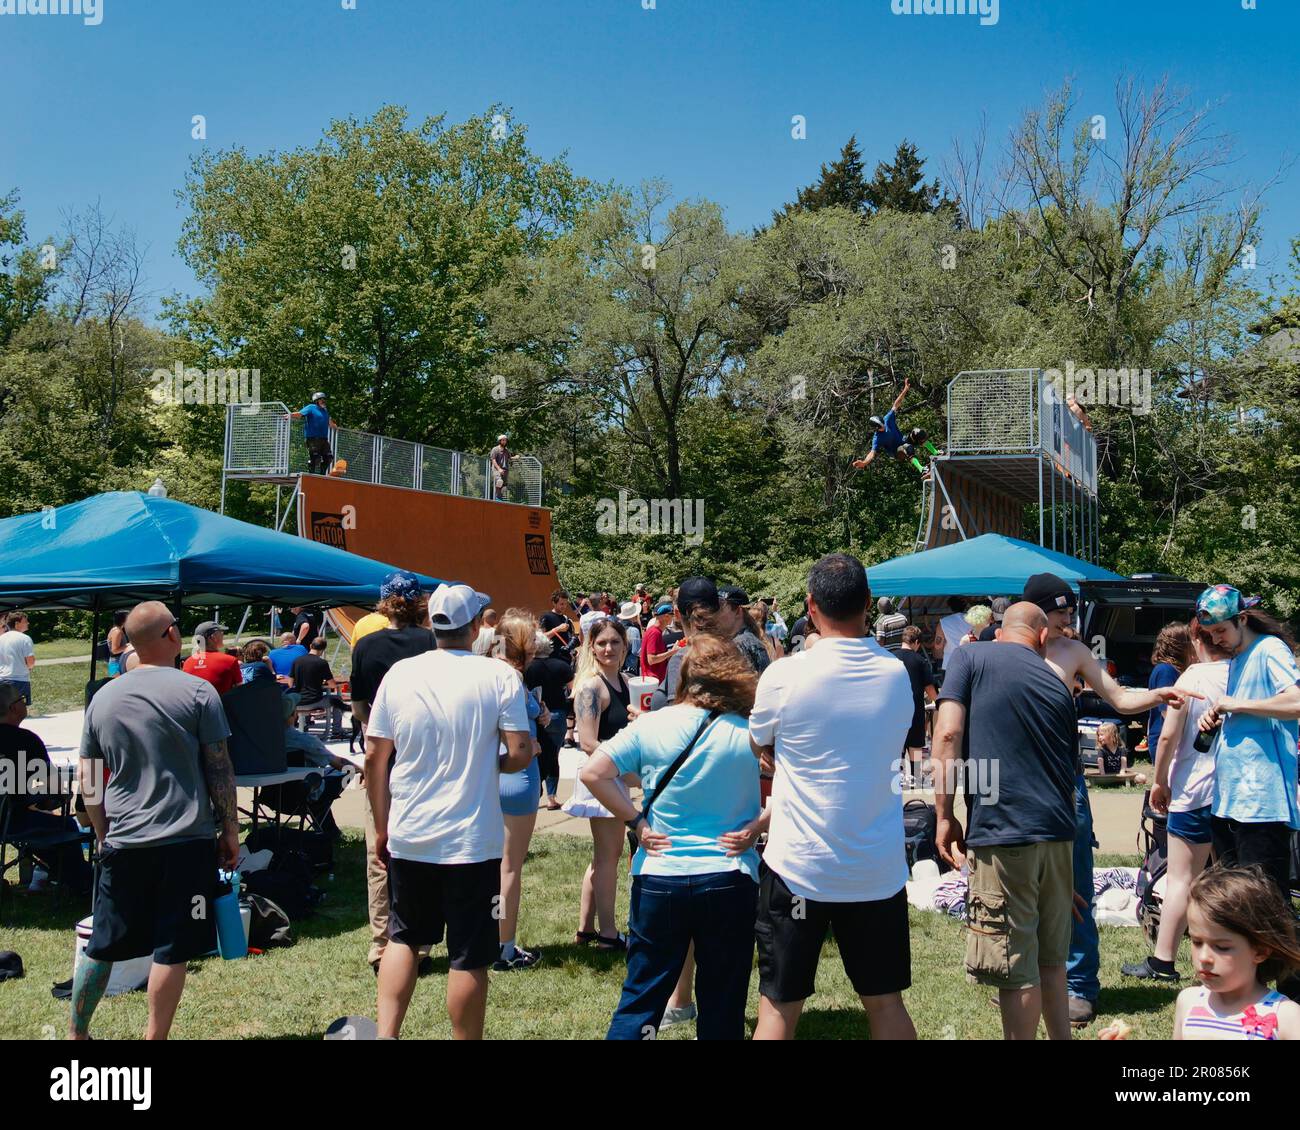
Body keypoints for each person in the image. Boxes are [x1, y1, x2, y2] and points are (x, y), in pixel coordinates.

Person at [750, 554, 917, 1040]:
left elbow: (758, 741)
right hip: (876, 869)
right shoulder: (895, 674)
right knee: (886, 1004)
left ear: (810, 606)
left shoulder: (783, 675)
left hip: (798, 866)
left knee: (779, 1009)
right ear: (868, 603)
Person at [1026, 571, 1194, 1026]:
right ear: (1037, 612)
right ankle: (1024, 983)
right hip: (1019, 783)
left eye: (1069, 611)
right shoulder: (1003, 652)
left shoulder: (1074, 651)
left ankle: (1079, 985)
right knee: (1024, 885)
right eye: (1060, 612)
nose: (1068, 620)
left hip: (1064, 781)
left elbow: (1118, 698)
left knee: (1077, 882)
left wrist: (1158, 693)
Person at [365, 584, 532, 1039]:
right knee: (469, 953)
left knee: (404, 937)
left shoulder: (400, 674)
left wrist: (383, 827)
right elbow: (520, 751)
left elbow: (375, 757)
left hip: (410, 829)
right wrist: (489, 761)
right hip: (471, 838)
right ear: (476, 625)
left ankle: (386, 1034)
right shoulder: (499, 676)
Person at [581, 635, 763, 1040]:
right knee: (723, 1000)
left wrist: (637, 822)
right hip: (728, 874)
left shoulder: (651, 725)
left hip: (660, 876)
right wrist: (759, 825)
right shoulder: (748, 732)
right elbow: (793, 781)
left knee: (641, 997)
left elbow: (593, 772)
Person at [72, 601, 240, 1040]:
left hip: (125, 840)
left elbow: (88, 779)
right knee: (173, 946)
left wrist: (103, 831)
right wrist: (230, 831)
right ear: (170, 635)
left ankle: (77, 1034)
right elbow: (219, 767)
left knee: (102, 942)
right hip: (186, 839)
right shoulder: (199, 691)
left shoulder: (102, 698)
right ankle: (155, 1038)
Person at [931, 602, 1079, 1041]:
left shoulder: (970, 656)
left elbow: (947, 734)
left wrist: (944, 814)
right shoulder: (1055, 683)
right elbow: (1065, 773)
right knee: (1051, 960)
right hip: (1056, 836)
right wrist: (1054, 871)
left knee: (1016, 965)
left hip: (1005, 832)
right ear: (1040, 638)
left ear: (999, 631)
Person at [1123, 619, 1230, 983]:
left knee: (1183, 878)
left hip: (1194, 790)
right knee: (1233, 879)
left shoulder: (1192, 679)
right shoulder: (1243, 672)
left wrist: (1159, 781)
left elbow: (1168, 736)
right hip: (1234, 794)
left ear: (1197, 640)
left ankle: (1163, 960)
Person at [349, 569, 437, 973]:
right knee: (419, 853)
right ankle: (416, 943)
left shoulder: (365, 646)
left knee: (378, 854)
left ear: (384, 603)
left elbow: (360, 708)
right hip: (426, 759)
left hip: (383, 759)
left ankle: (381, 944)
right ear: (418, 602)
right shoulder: (431, 643)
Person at [1193, 585, 1300, 906]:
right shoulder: (1238, 659)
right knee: (1238, 908)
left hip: (1263, 805)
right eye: (1210, 634)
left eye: (1221, 631)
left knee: (1268, 909)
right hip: (1230, 802)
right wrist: (1218, 722)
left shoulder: (1270, 649)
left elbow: (1295, 702)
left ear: (1242, 618)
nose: (1215, 640)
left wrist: (1237, 705)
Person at [564, 615, 637, 951]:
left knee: (603, 855)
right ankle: (609, 933)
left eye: (615, 642)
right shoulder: (592, 686)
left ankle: (586, 929)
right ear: (590, 647)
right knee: (609, 856)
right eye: (602, 643)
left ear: (625, 645)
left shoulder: (623, 681)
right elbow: (588, 741)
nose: (609, 648)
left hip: (613, 775)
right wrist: (626, 770)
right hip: (602, 775)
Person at [1173, 868, 1300, 1040]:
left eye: (1222, 947)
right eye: (1197, 942)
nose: (1203, 957)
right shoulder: (1188, 1003)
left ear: (1260, 951)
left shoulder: (1284, 1016)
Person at [492, 611, 547, 970]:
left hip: (493, 777)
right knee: (510, 868)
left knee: (492, 865)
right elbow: (521, 742)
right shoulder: (513, 678)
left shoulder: (487, 674)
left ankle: (490, 937)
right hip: (519, 775)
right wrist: (535, 744)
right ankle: (505, 947)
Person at [0, 683, 92, 893]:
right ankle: (79, 882)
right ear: (13, 708)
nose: (25, 703)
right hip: (11, 821)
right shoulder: (26, 740)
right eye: (22, 700)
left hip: (10, 816)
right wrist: (52, 802)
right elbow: (53, 790)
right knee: (65, 824)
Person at [279, 691, 350, 838]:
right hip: (305, 794)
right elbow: (339, 763)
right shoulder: (305, 741)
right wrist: (364, 770)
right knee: (343, 773)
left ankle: (329, 828)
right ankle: (327, 829)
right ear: (294, 714)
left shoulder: (265, 743)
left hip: (275, 796)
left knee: (320, 780)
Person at [526, 631, 572, 810]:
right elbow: (573, 689)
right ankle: (552, 797)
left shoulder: (527, 668)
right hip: (558, 714)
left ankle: (535, 794)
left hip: (535, 715)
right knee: (553, 756)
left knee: (536, 756)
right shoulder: (562, 666)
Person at [896, 626, 937, 788]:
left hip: (894, 709)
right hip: (914, 709)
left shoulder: (891, 658)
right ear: (917, 642)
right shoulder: (920, 661)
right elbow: (929, 688)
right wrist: (939, 702)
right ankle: (915, 778)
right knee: (915, 745)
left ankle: (897, 778)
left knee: (897, 744)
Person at [1145, 622, 1193, 760]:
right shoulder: (1166, 671)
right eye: (1188, 641)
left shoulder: (1169, 669)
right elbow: (1167, 712)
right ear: (1179, 645)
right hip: (1165, 742)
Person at [850, 378, 915, 470]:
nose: (884, 426)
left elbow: (896, 404)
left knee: (917, 433)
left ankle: (936, 452)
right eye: (881, 427)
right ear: (876, 429)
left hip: (903, 440)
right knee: (907, 447)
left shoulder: (887, 419)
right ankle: (922, 469)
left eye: (883, 424)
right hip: (897, 452)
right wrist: (864, 462)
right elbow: (872, 453)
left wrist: (905, 389)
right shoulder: (877, 438)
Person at [291, 637, 346, 734]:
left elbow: (290, 683)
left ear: (310, 646)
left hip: (298, 701)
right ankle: (337, 730)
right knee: (337, 699)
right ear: (323, 650)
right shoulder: (322, 663)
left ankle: (306, 724)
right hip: (314, 701)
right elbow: (332, 685)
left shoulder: (297, 661)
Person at [181, 621, 243, 696]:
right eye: (220, 632)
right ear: (213, 637)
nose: (223, 634)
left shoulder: (187, 662)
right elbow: (240, 691)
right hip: (221, 706)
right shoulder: (229, 661)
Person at [718, 586, 771, 675]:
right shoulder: (745, 639)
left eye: (721, 607)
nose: (716, 612)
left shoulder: (740, 643)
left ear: (738, 611)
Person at [289, 391, 335, 475]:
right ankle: (311, 474)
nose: (323, 401)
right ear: (316, 401)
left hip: (324, 439)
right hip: (312, 438)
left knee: (329, 457)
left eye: (324, 399)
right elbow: (299, 414)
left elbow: (330, 422)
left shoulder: (325, 411)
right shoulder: (311, 407)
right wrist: (289, 415)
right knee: (315, 458)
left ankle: (322, 474)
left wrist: (335, 426)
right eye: (321, 399)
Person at [0, 611, 35, 705]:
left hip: (2, 679)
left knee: (5, 709)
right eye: (25, 621)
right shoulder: (25, 639)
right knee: (19, 711)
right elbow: (30, 662)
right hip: (20, 680)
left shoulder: (1, 638)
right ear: (17, 624)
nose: (28, 623)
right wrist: (30, 667)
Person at [640, 602, 676, 683]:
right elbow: (651, 659)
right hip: (653, 680)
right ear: (666, 616)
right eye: (672, 615)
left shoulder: (654, 631)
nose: (673, 618)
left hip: (654, 679)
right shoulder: (654, 633)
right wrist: (672, 652)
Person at [934, 597, 971, 670]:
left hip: (950, 662)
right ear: (965, 606)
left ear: (950, 607)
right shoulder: (973, 621)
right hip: (969, 661)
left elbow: (938, 646)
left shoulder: (943, 622)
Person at [540, 589, 576, 661]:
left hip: (566, 658)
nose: (564, 606)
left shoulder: (566, 619)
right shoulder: (546, 617)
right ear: (554, 603)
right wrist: (557, 629)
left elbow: (570, 639)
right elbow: (540, 638)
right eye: (561, 604)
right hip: (552, 658)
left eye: (566, 604)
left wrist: (573, 650)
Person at [618, 602, 643, 675]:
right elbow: (636, 651)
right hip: (630, 667)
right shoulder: (634, 630)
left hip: (619, 664)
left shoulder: (617, 627)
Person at [106, 611, 129, 677]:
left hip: (119, 662)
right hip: (116, 664)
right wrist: (129, 645)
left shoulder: (119, 630)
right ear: (123, 620)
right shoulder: (117, 631)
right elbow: (115, 650)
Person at [490, 434, 512, 501]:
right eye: (503, 440)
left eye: (505, 440)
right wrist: (499, 469)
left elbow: (509, 458)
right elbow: (493, 460)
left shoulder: (506, 450)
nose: (504, 442)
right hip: (497, 469)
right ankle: (496, 498)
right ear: (499, 441)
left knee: (503, 487)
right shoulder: (495, 449)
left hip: (505, 470)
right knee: (499, 481)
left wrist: (516, 457)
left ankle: (499, 498)